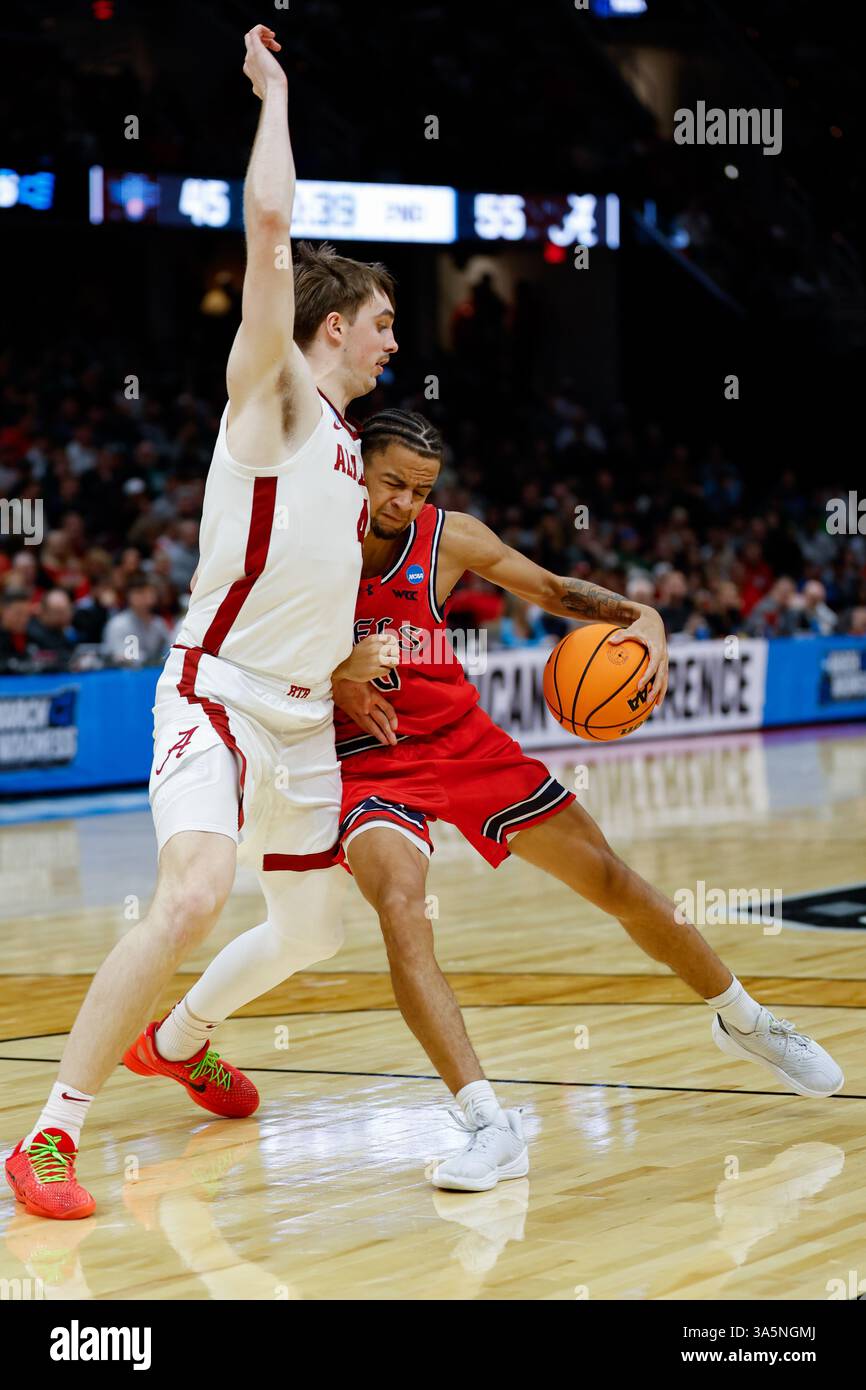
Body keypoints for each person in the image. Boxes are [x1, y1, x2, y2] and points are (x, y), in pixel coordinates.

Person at [131, 411, 843, 1194]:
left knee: (613, 880)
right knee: (400, 905)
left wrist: (642, 618)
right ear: (353, 465)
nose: (404, 501)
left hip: (466, 744)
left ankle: (745, 1021)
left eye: (421, 488)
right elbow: (243, 642)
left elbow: (549, 588)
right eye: (392, 482)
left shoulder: (450, 537)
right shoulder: (303, 537)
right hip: (369, 762)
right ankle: (488, 1124)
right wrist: (336, 667)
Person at [5, 23, 399, 1221]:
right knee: (191, 893)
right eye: (381, 320)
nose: (393, 338)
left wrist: (347, 660)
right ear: (331, 326)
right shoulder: (276, 396)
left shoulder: (344, 447)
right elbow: (269, 230)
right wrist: (275, 96)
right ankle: (47, 1136)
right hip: (214, 698)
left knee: (311, 932)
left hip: (298, 721)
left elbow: (306, 589)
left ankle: (176, 1039)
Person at [100, 575, 172, 667]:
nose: (146, 597)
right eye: (139, 592)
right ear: (129, 596)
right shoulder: (118, 624)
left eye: (149, 592)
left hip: (153, 674)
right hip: (123, 675)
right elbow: (123, 658)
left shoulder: (159, 623)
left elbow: (170, 650)